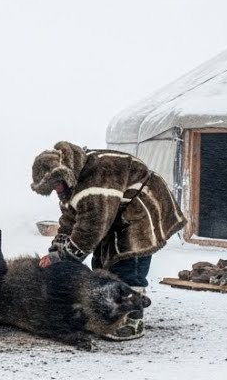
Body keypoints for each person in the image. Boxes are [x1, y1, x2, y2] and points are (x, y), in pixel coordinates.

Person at [29, 140, 186, 340]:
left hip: (142, 209)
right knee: (102, 265)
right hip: (116, 214)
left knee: (129, 263)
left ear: (63, 175)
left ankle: (132, 320)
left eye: (56, 185)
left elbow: (90, 229)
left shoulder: (94, 180)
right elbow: (70, 220)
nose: (56, 191)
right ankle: (109, 314)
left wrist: (63, 257)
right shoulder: (72, 185)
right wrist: (55, 252)